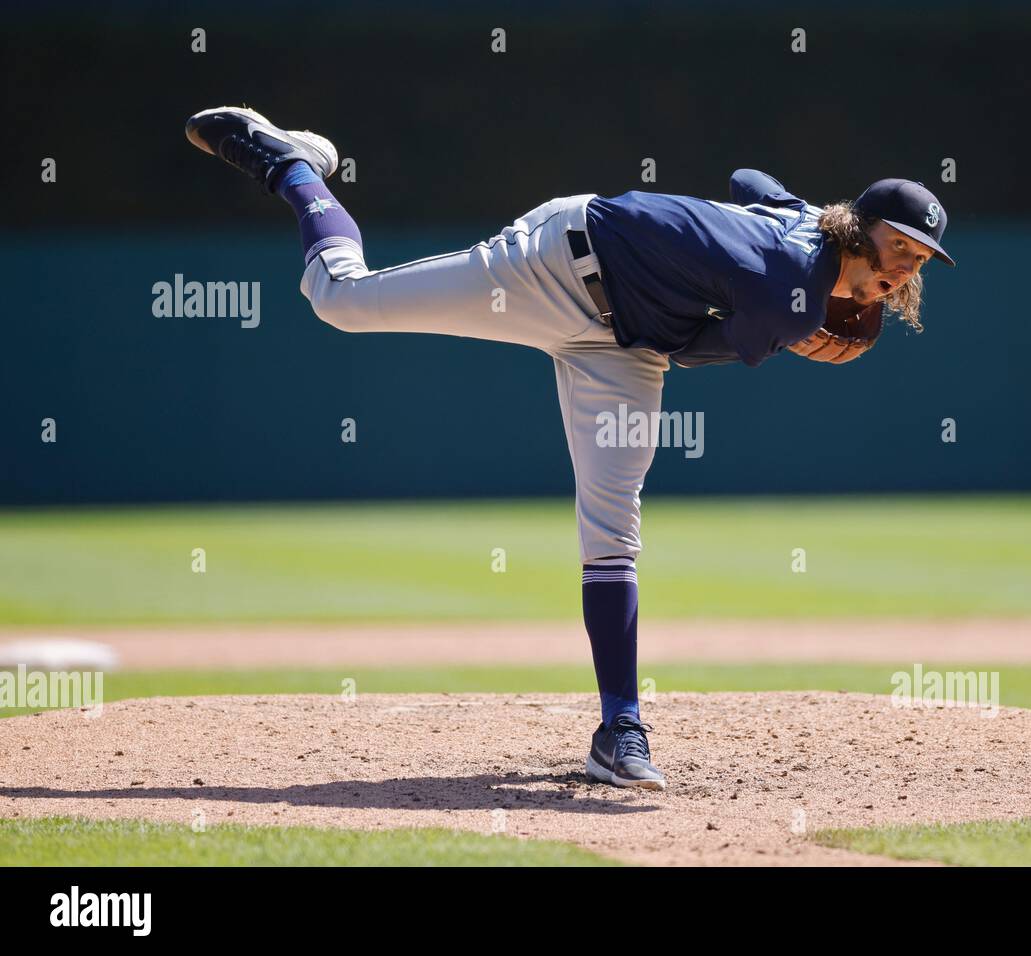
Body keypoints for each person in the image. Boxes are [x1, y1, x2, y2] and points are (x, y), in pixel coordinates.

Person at [185, 106, 954, 791]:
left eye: (918, 260)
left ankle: (619, 731)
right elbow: (695, 347)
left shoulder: (803, 229)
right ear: (859, 230)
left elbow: (747, 176)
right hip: (554, 265)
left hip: (627, 341)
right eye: (899, 247)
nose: (904, 267)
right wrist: (796, 322)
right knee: (341, 301)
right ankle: (291, 163)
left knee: (614, 532)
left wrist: (782, 218)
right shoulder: (788, 284)